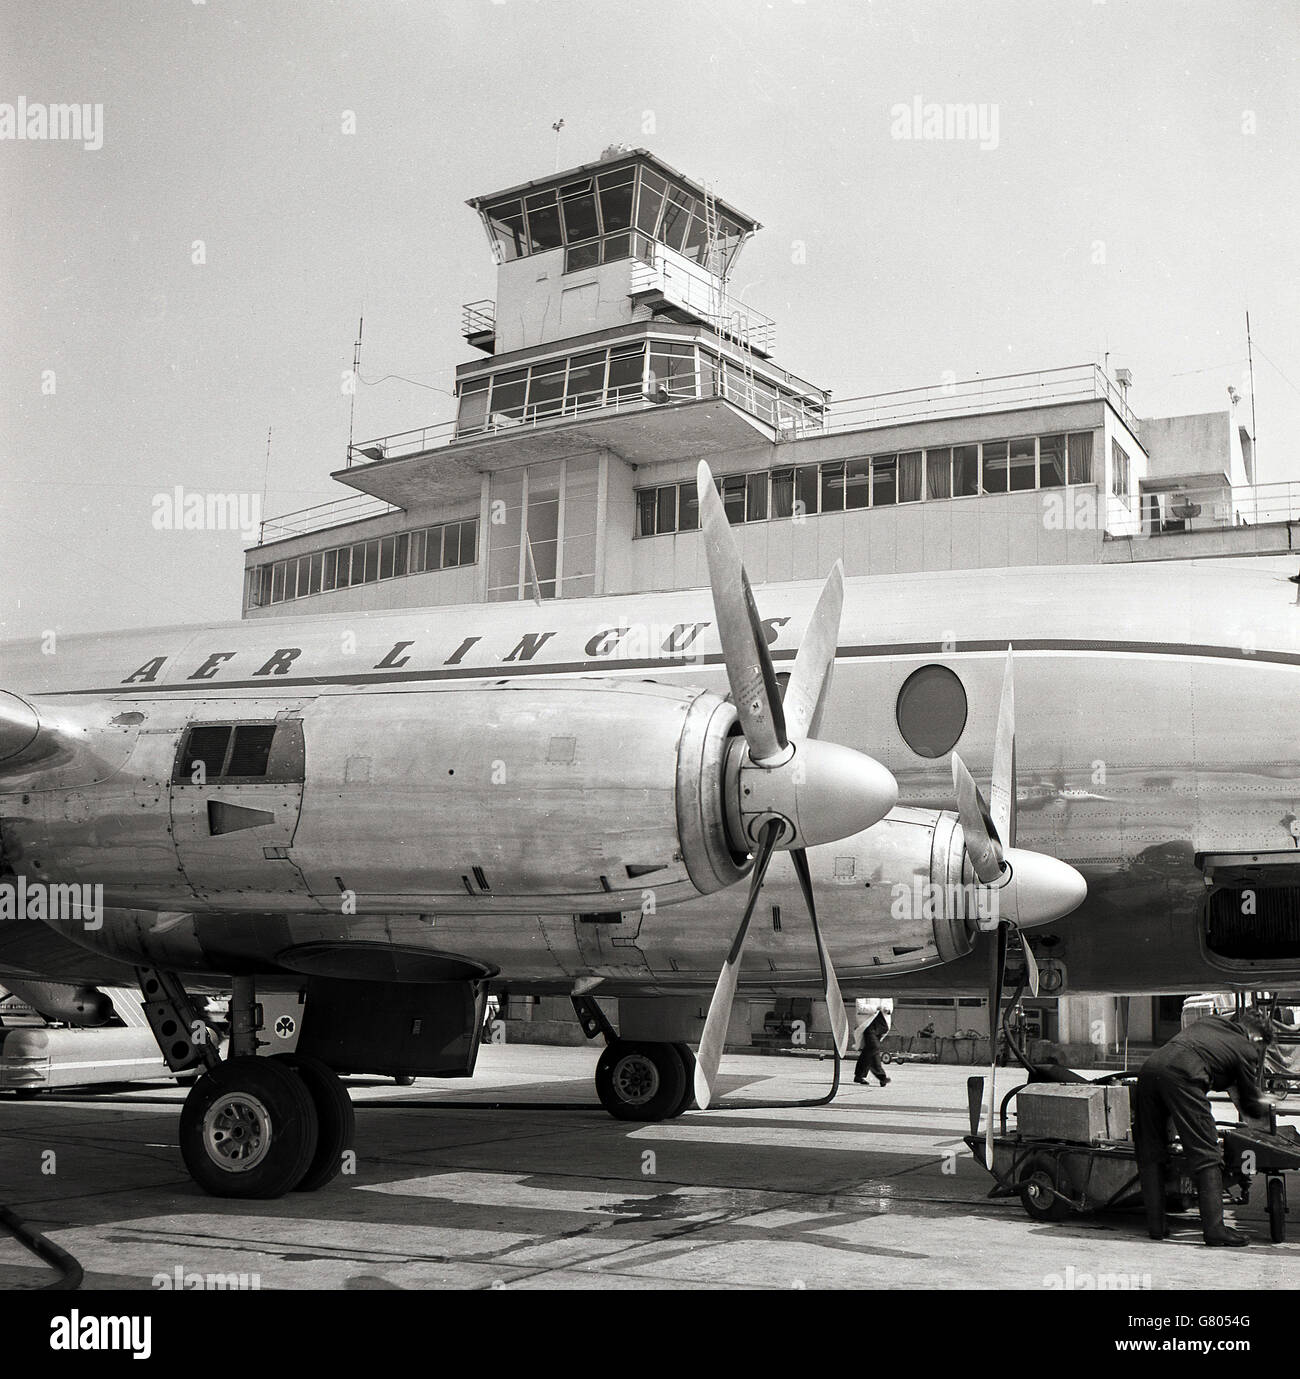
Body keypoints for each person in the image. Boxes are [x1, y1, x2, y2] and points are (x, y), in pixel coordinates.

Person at [1134, 1008, 1274, 1247]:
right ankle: (1215, 1230)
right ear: (1257, 1038)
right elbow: (1250, 1104)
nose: (1259, 1055)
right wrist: (1267, 1107)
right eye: (1262, 1049)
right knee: (1207, 1153)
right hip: (1184, 1075)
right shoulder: (1247, 1049)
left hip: (1149, 1069)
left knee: (1150, 1150)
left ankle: (1156, 1227)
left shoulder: (1210, 1022)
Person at [854, 1011, 890, 1087]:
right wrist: (875, 1008)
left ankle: (859, 1075)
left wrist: (887, 1009)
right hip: (867, 1024)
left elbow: (889, 1004)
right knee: (874, 1047)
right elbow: (860, 1007)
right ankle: (881, 1076)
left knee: (870, 1050)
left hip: (881, 1024)